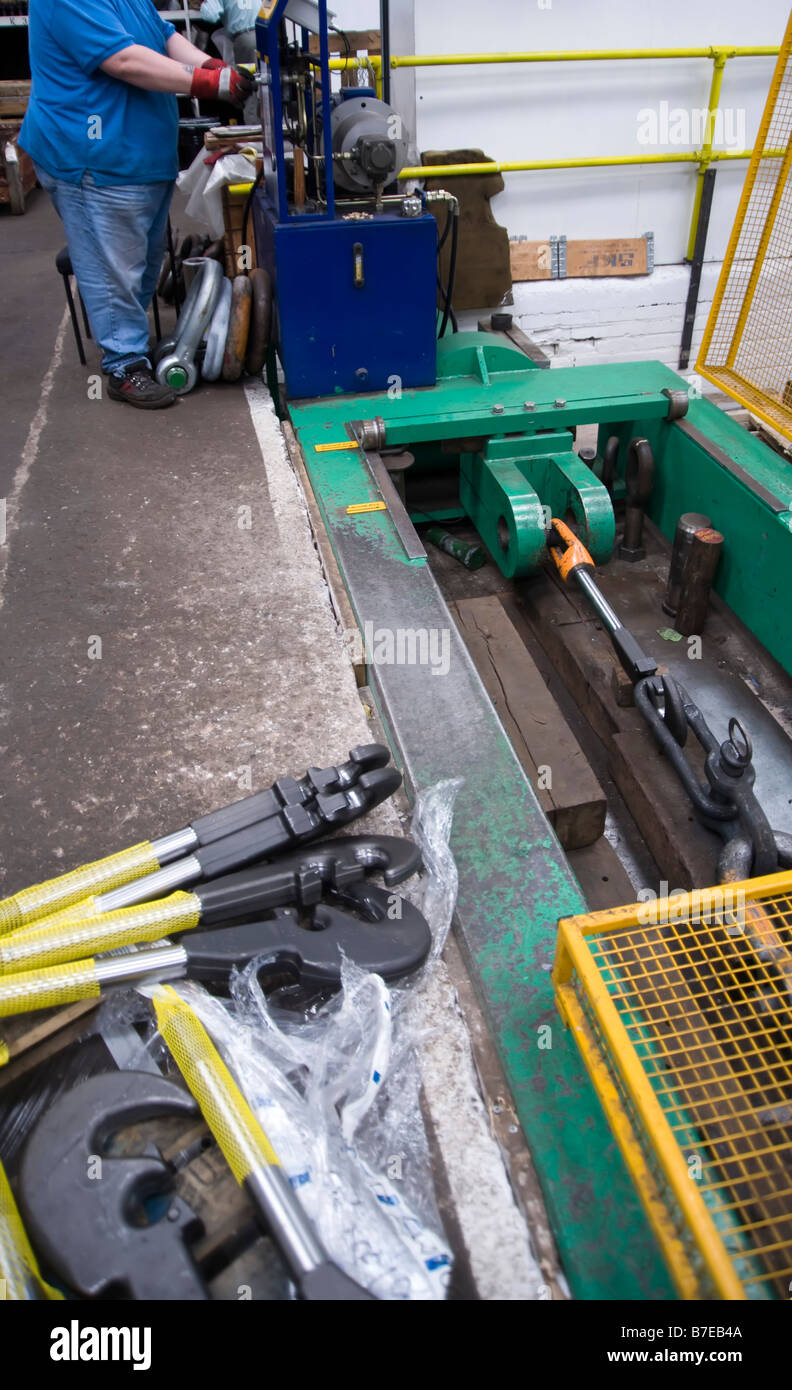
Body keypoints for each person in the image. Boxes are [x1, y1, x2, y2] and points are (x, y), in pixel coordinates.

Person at [20, 0, 253, 409]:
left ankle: (129, 343)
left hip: (138, 157)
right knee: (113, 270)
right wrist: (206, 83)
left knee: (141, 263)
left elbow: (163, 36)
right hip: (94, 156)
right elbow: (124, 60)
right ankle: (124, 364)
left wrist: (213, 66)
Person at [198, 0, 260, 126]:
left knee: (248, 86)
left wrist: (204, 3)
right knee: (266, 86)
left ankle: (254, 131)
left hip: (245, 40)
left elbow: (211, 15)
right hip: (267, 35)